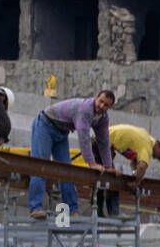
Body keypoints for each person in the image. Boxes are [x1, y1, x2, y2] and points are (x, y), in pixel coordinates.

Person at [29, 90, 115, 219]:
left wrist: (108, 166)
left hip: (62, 132)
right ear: (96, 98)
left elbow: (103, 142)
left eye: (106, 105)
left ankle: (72, 210)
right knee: (41, 165)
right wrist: (91, 163)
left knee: (67, 170)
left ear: (110, 107)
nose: (102, 106)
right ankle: (36, 208)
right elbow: (84, 137)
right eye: (101, 101)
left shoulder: (103, 118)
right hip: (45, 125)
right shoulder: (85, 109)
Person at [89, 126, 160, 217]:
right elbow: (142, 166)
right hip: (101, 142)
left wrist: (135, 172)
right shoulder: (147, 147)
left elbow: (135, 162)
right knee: (112, 177)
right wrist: (136, 182)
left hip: (101, 140)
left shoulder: (147, 138)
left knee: (103, 178)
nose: (156, 158)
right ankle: (112, 212)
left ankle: (100, 213)